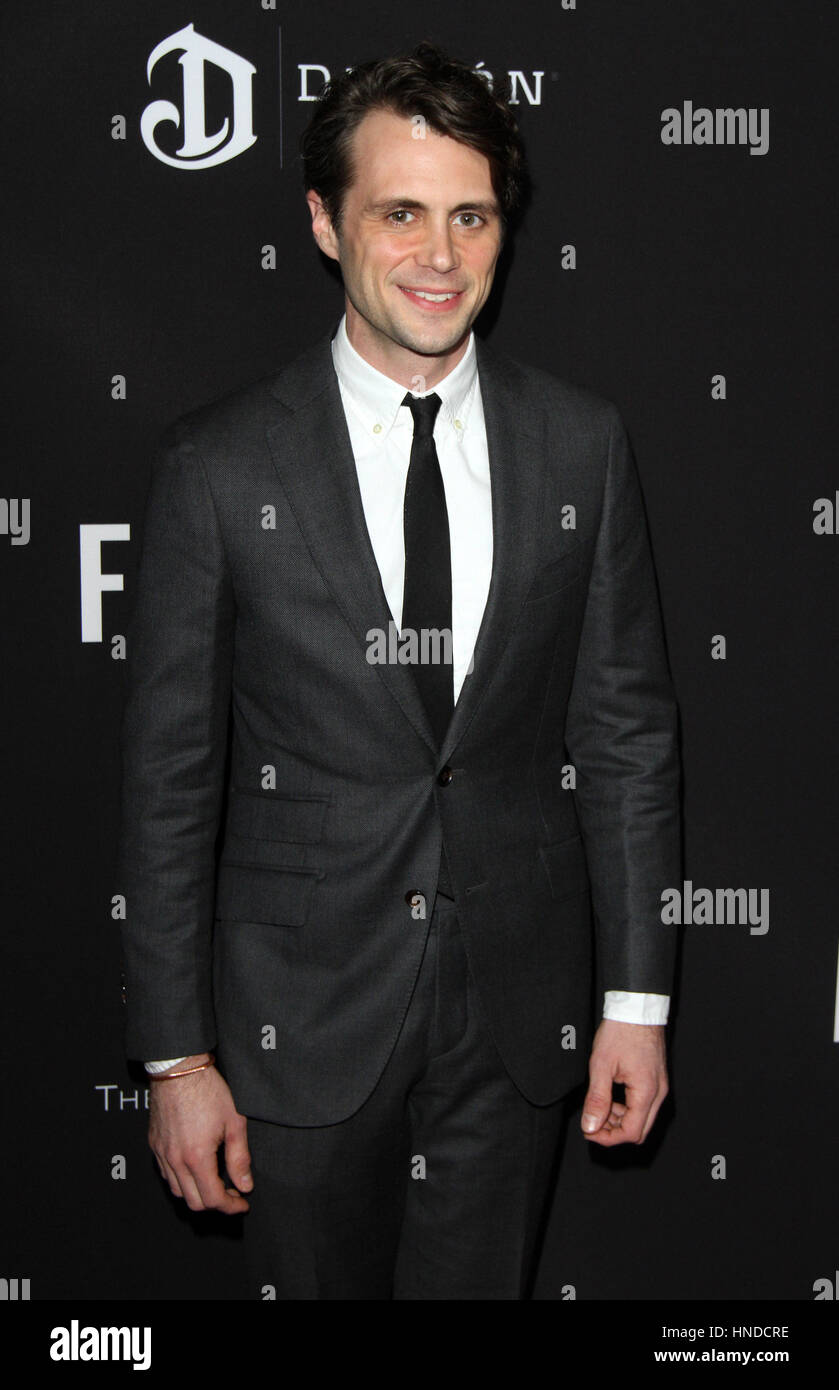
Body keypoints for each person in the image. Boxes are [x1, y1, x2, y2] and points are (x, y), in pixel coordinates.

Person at [117, 41, 681, 1300]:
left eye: (470, 215)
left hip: (518, 1014)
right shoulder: (218, 466)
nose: (439, 255)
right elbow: (168, 782)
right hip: (297, 1017)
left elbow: (628, 733)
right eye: (401, 213)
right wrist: (174, 1061)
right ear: (324, 224)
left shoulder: (579, 446)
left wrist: (635, 1000)